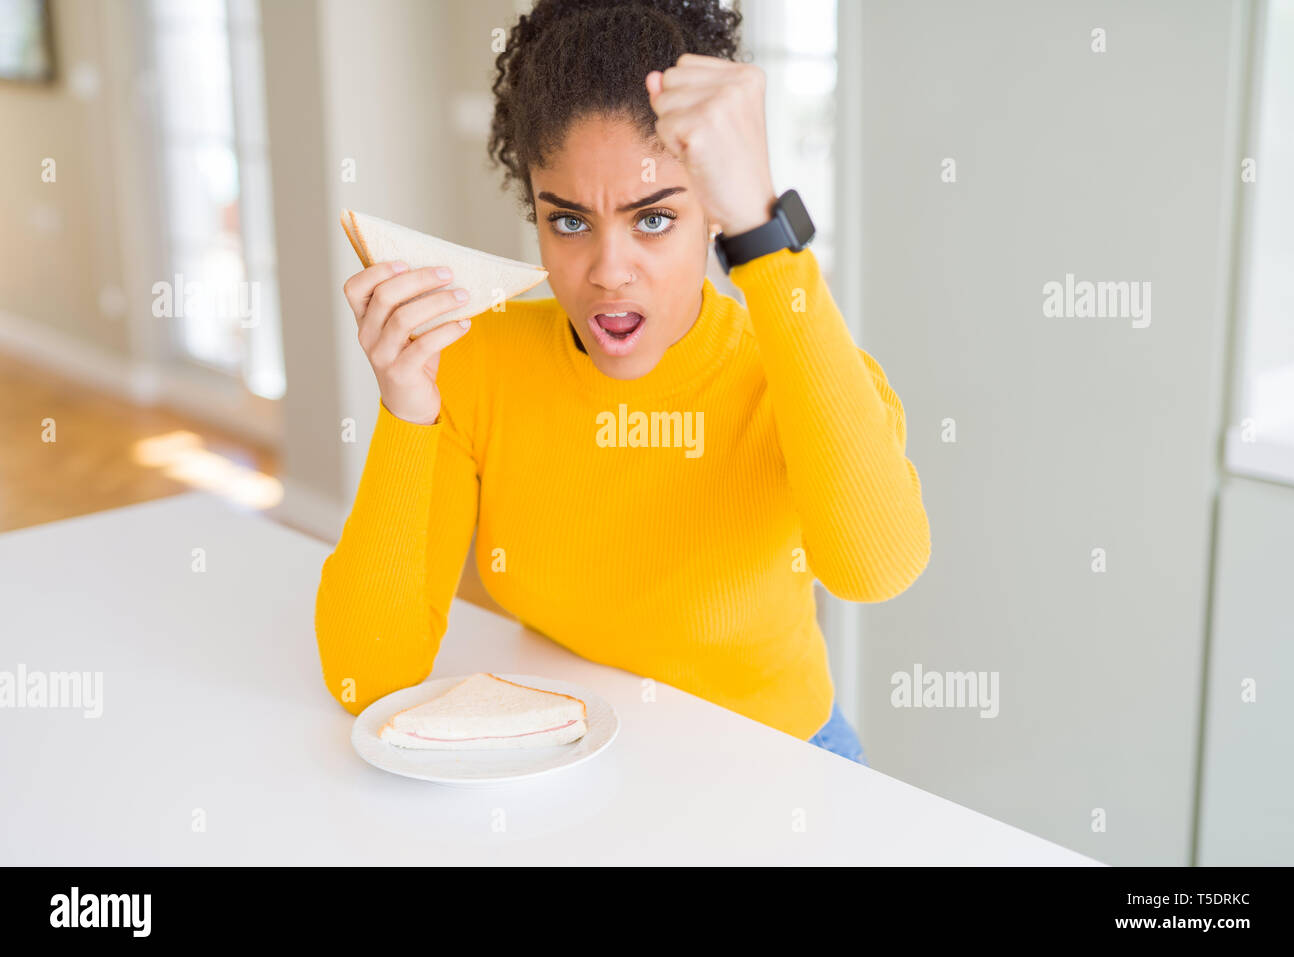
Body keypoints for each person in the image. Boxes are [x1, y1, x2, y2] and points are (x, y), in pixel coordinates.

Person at [316, 0, 929, 767]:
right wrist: (405, 412)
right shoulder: (473, 364)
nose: (608, 271)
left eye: (654, 219)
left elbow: (876, 568)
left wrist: (766, 236)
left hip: (779, 768)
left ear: (714, 213)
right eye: (569, 221)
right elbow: (362, 673)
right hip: (583, 762)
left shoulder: (792, 368)